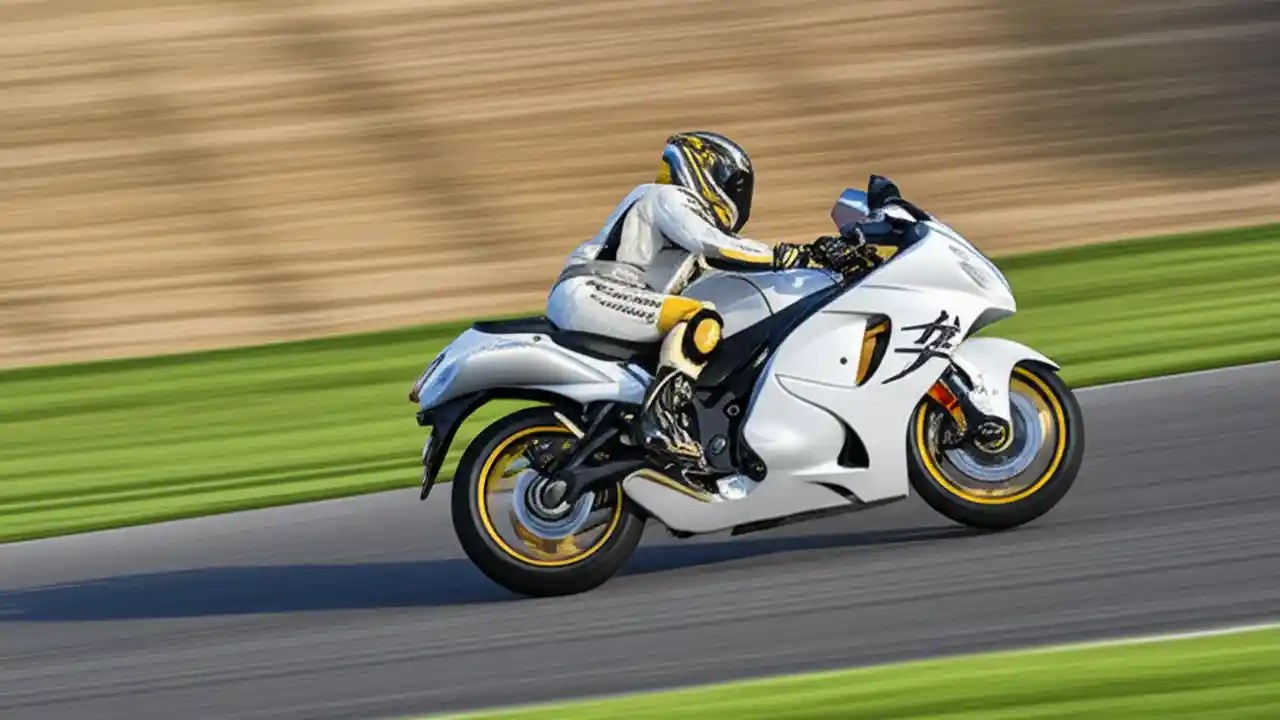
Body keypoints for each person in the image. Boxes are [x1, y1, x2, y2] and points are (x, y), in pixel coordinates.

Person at [546, 131, 873, 465]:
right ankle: (661, 421)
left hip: (603, 295)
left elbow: (731, 265)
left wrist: (819, 259)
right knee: (699, 320)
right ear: (705, 170)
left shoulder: (675, 225)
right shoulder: (667, 197)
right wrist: (790, 255)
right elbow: (717, 245)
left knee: (709, 324)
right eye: (732, 183)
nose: (737, 195)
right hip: (593, 292)